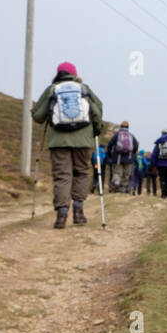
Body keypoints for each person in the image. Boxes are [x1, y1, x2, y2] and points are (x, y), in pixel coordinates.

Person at [31, 61, 103, 229]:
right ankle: (78, 212)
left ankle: (61, 215)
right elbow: (97, 110)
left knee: (62, 176)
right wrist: (97, 129)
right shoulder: (84, 89)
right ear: (74, 74)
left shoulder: (52, 89)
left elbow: (38, 116)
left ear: (58, 74)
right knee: (81, 173)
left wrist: (34, 111)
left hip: (58, 141)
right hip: (83, 140)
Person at [105, 121, 138, 193]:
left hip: (117, 159)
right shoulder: (131, 136)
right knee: (126, 175)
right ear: (128, 127)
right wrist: (132, 154)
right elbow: (136, 146)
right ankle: (123, 189)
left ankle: (116, 186)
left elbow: (109, 146)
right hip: (129, 159)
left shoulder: (117, 135)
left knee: (117, 173)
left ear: (120, 127)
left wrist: (110, 155)